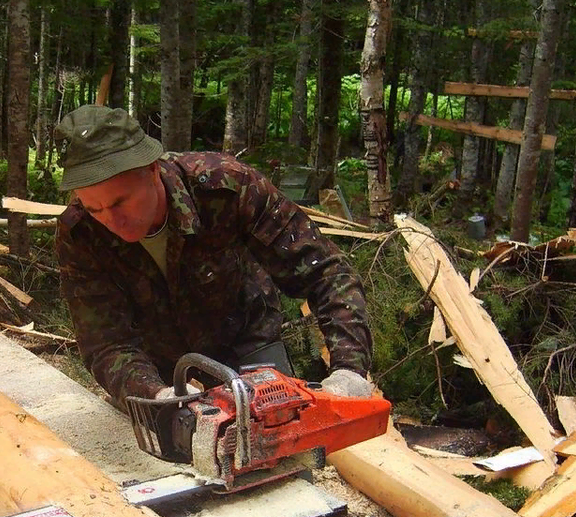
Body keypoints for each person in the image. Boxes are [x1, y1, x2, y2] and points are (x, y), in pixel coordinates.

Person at [52, 104, 374, 407]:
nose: (112, 219)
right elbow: (106, 344)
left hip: (248, 344)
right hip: (160, 370)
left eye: (121, 202)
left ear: (151, 170)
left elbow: (326, 272)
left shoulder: (226, 186)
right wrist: (156, 393)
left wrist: (350, 370)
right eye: (96, 208)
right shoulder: (80, 234)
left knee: (279, 444)